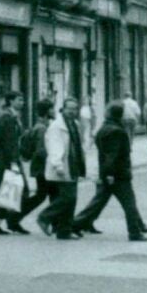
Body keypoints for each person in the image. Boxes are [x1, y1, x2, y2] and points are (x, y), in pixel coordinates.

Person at [72, 102, 147, 240]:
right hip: (118, 174)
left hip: (108, 173)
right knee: (129, 203)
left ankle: (74, 225)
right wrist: (110, 174)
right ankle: (134, 232)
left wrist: (105, 173)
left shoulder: (104, 128)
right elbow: (112, 155)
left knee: (97, 204)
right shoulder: (117, 131)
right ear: (120, 115)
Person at [40, 96, 87, 238]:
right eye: (69, 108)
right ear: (63, 109)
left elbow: (78, 145)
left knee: (72, 200)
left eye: (75, 109)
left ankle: (64, 231)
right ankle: (44, 217)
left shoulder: (75, 124)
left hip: (74, 165)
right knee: (68, 197)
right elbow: (54, 147)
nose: (72, 111)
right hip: (62, 165)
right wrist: (58, 165)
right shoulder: (57, 126)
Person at [0, 92, 26, 234]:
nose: (22, 102)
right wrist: (14, 162)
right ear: (11, 101)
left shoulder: (11, 116)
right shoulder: (7, 117)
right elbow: (10, 142)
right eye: (19, 100)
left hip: (8, 158)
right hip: (6, 158)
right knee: (5, 189)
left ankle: (7, 221)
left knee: (8, 189)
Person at [14, 98, 55, 231]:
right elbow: (41, 151)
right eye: (52, 108)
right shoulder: (42, 128)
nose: (54, 111)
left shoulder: (40, 126)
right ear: (47, 111)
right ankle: (14, 217)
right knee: (45, 196)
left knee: (44, 195)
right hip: (43, 168)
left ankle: (15, 217)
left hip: (41, 167)